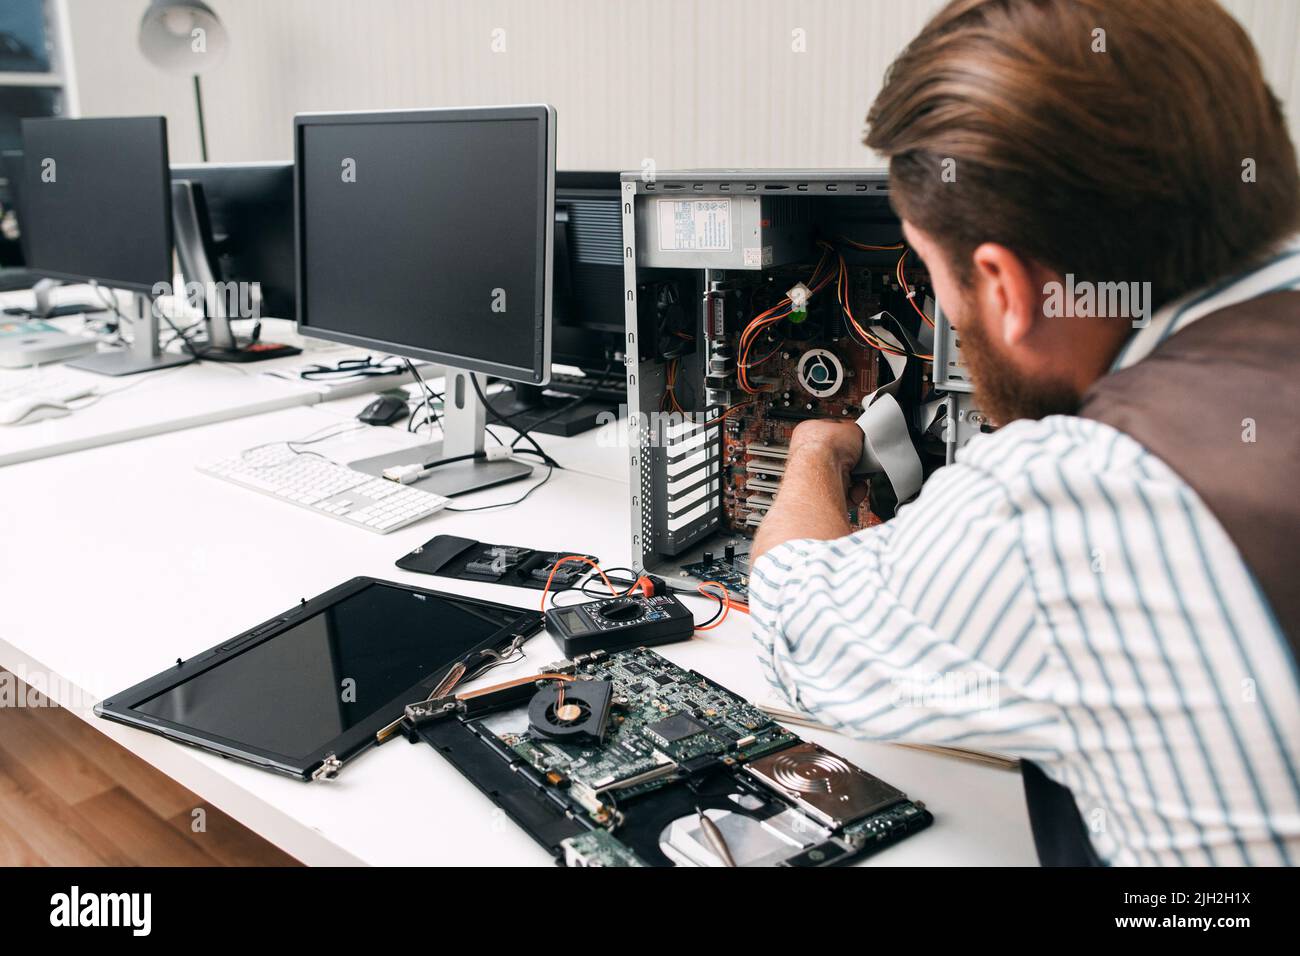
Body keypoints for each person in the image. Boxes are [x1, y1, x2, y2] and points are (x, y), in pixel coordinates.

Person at [749, 0, 1300, 865]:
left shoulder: (1077, 496)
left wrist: (817, 447)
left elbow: (795, 625)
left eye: (939, 285)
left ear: (1004, 287)